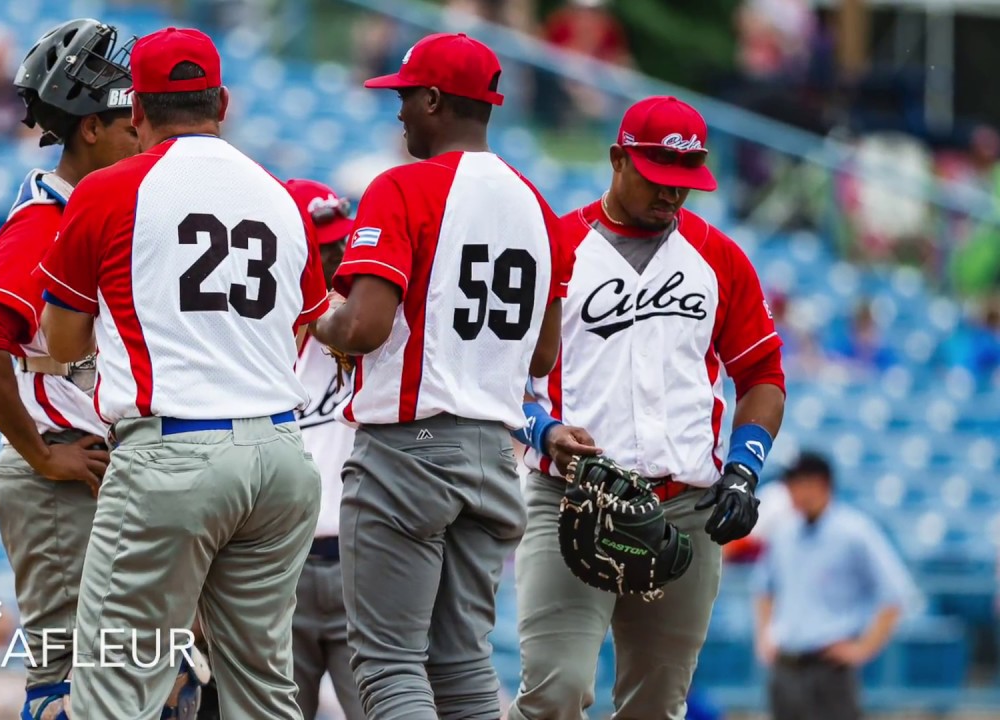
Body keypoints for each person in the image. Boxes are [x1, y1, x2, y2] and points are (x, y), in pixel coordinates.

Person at [36, 26, 329, 720]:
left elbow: (62, 335)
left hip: (174, 451)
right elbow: (304, 325)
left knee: (114, 689)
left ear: (135, 108)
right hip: (282, 454)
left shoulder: (111, 190)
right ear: (222, 102)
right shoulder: (281, 195)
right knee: (263, 694)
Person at [310, 32, 571, 719]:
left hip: (409, 449)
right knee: (460, 665)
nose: (398, 113)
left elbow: (362, 326)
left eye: (405, 98)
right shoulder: (538, 205)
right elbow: (542, 358)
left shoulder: (403, 186)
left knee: (389, 665)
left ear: (433, 99)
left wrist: (319, 315)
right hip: (493, 453)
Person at [507, 95, 788, 720]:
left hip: (684, 506)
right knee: (553, 694)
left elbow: (762, 372)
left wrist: (744, 466)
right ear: (617, 159)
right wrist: (543, 429)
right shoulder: (556, 246)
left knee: (656, 706)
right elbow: (499, 376)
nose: (672, 196)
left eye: (685, 183)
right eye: (659, 178)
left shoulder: (718, 257)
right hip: (571, 498)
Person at [0, 19, 142, 720]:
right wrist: (38, 455)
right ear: (89, 128)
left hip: (91, 467)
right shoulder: (47, 219)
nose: (142, 134)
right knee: (66, 686)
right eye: (128, 121)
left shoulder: (98, 212)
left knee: (138, 677)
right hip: (58, 468)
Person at [754, 451, 917, 720]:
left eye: (796, 483)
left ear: (820, 484)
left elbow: (896, 593)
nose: (790, 492)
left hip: (829, 669)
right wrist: (765, 636)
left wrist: (864, 648)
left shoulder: (854, 532)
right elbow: (763, 587)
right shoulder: (783, 533)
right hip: (786, 666)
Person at [286, 178, 365, 720]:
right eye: (323, 249)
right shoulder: (255, 342)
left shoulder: (375, 331)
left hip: (362, 559)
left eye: (342, 244)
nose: (337, 258)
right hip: (279, 564)